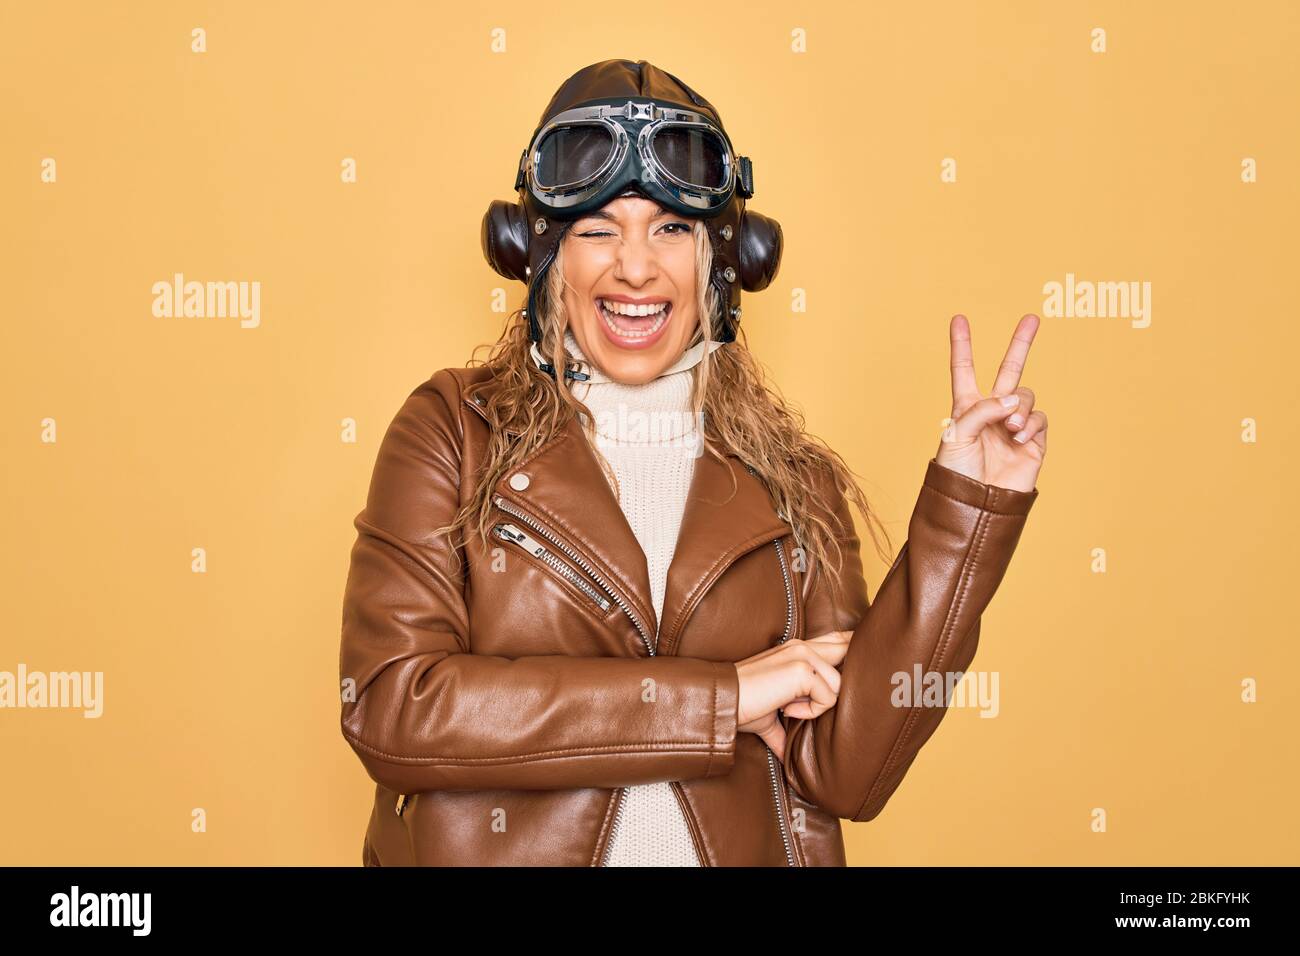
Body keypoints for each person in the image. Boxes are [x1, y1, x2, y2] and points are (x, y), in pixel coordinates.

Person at [338, 58, 1045, 866]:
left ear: (726, 258)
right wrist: (725, 697)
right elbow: (393, 708)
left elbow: (849, 773)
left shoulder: (793, 475)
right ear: (539, 257)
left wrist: (971, 509)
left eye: (671, 229)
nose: (636, 268)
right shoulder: (452, 434)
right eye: (597, 229)